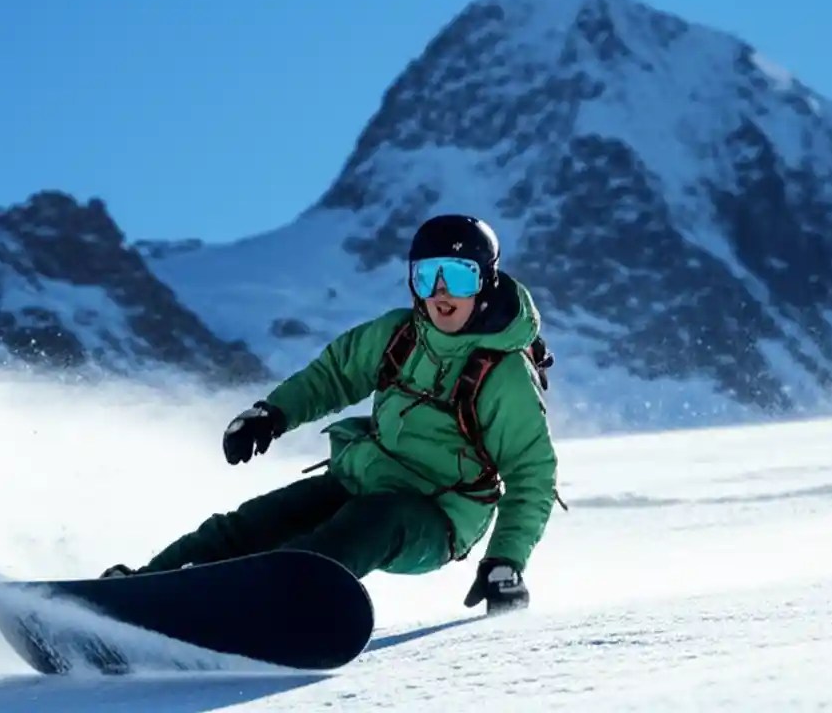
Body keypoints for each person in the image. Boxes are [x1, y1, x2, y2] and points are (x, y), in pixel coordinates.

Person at [102, 214, 561, 615]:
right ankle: (142, 588)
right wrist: (271, 414)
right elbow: (332, 377)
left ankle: (267, 604)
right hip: (362, 478)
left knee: (363, 527)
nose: (441, 292)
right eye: (427, 276)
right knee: (253, 523)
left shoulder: (502, 373)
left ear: (486, 281)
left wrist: (505, 561)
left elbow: (531, 472)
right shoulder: (398, 334)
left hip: (439, 515)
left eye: (458, 277)